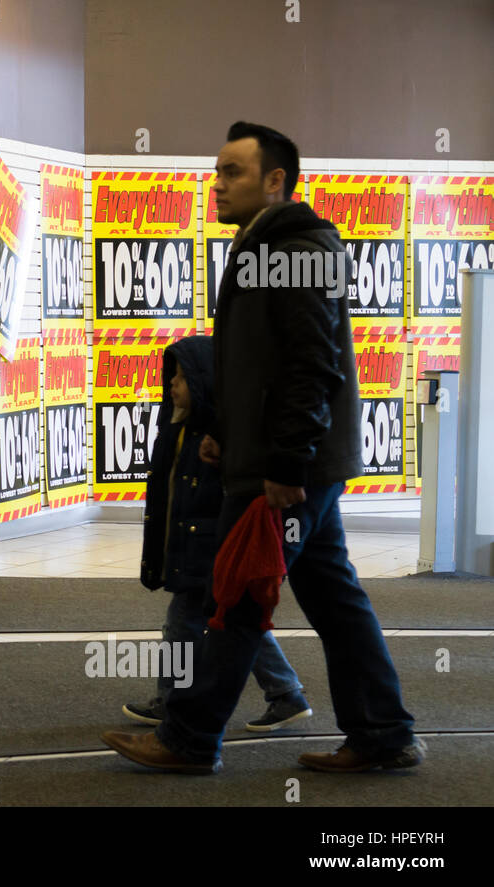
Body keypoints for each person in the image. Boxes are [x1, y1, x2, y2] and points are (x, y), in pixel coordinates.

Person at [101, 121, 422, 774]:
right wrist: (229, 432)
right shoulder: (266, 247)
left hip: (290, 469)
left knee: (241, 596)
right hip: (288, 461)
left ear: (276, 181)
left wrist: (282, 462)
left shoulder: (297, 248)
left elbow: (312, 363)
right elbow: (263, 365)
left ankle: (189, 739)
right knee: (332, 597)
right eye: (216, 171)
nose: (215, 185)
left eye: (233, 172)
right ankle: (384, 734)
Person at [124, 335, 312, 732]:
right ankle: (284, 693)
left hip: (209, 549)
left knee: (187, 625)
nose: (171, 385)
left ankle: (173, 701)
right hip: (194, 547)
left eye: (180, 378)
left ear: (203, 380)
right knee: (228, 621)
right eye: (170, 378)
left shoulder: (214, 440)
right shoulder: (181, 431)